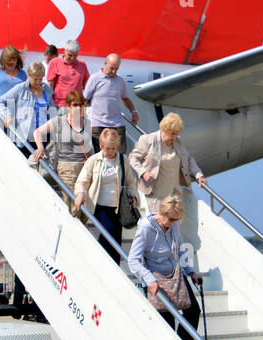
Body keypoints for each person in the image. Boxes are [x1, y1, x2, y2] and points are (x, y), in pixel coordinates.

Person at [128, 194, 201, 336]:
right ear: (161, 213)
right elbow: (133, 260)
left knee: (194, 311)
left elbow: (180, 248)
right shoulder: (146, 228)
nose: (174, 223)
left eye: (177, 219)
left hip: (175, 276)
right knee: (167, 325)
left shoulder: (173, 226)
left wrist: (191, 272)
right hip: (156, 280)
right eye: (171, 219)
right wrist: (149, 279)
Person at [73, 128, 138, 257]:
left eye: (113, 148)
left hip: (118, 207)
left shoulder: (122, 159)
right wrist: (80, 194)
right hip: (100, 206)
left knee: (116, 240)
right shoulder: (94, 160)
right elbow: (82, 181)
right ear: (101, 146)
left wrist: (133, 194)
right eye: (108, 148)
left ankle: (115, 268)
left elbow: (130, 181)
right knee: (109, 232)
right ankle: (100, 258)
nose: (111, 152)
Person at [129, 112, 207, 213]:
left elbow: (188, 158)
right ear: (164, 129)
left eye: (177, 134)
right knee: (159, 226)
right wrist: (143, 172)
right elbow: (133, 158)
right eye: (172, 133)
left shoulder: (177, 142)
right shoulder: (148, 140)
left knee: (174, 226)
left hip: (175, 197)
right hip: (156, 196)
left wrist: (198, 174)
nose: (174, 137)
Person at [31, 91, 94, 212]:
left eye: (81, 105)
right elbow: (37, 132)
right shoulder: (59, 121)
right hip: (67, 168)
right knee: (74, 206)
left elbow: (89, 147)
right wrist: (40, 148)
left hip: (85, 169)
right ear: (68, 106)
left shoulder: (87, 123)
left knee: (87, 207)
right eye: (75, 104)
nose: (78, 108)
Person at [0, 61, 54, 153]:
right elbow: (0, 101)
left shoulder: (47, 90)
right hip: (25, 137)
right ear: (28, 75)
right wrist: (7, 115)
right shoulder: (20, 88)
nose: (38, 82)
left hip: (43, 138)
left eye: (40, 79)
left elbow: (52, 112)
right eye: (35, 79)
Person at [83, 53, 138, 143]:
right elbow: (85, 100)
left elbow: (125, 99)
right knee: (99, 155)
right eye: (111, 68)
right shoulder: (94, 78)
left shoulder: (120, 81)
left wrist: (134, 111)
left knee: (120, 155)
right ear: (105, 63)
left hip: (117, 124)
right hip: (97, 124)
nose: (113, 71)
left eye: (116, 69)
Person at [46, 41, 90, 105]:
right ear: (64, 51)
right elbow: (50, 85)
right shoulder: (55, 62)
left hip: (77, 105)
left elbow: (87, 86)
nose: (72, 58)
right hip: (59, 104)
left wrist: (85, 102)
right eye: (70, 55)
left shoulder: (82, 65)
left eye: (75, 55)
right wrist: (49, 103)